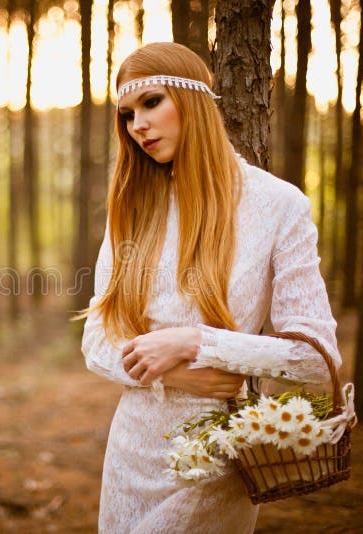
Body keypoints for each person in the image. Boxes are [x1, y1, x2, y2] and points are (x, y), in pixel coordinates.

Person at [80, 42, 341, 533]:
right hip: (132, 448)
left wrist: (198, 342)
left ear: (194, 102)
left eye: (151, 102)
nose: (138, 125)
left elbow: (315, 356)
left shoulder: (278, 206)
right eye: (127, 114)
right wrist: (170, 375)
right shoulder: (134, 209)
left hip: (214, 450)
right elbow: (96, 338)